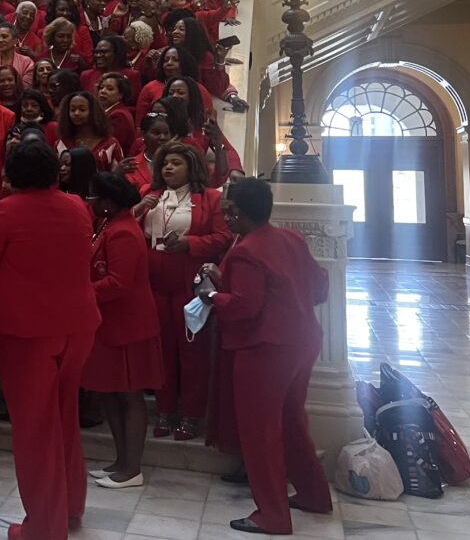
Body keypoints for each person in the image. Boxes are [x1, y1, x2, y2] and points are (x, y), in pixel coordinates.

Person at [0, 140, 99, 540]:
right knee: (64, 418)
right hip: (78, 326)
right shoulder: (78, 207)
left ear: (11, 175)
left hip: (28, 332)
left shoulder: (2, 213)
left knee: (35, 429)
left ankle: (44, 525)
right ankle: (71, 506)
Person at [201, 178, 333, 535]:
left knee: (260, 434)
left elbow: (244, 307)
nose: (226, 219)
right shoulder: (290, 237)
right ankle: (313, 494)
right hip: (303, 340)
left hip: (264, 349)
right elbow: (320, 285)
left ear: (243, 213)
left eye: (230, 213)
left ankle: (272, 514)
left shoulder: (247, 249)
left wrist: (211, 297)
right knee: (292, 421)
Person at [134, 142, 231, 442]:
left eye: (175, 163)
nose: (168, 168)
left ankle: (191, 414)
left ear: (192, 166)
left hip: (189, 278)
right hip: (154, 279)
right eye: (165, 164)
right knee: (160, 350)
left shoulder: (210, 198)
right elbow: (130, 234)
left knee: (192, 352)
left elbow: (223, 237)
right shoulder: (147, 196)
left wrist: (190, 243)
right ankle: (164, 410)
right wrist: (137, 212)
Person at [82, 172, 162, 490]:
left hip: (128, 324)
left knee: (129, 396)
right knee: (110, 393)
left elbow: (119, 282)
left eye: (93, 197)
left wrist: (80, 292)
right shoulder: (108, 226)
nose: (89, 203)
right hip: (109, 323)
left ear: (108, 201)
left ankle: (132, 467)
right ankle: (119, 460)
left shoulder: (123, 232)